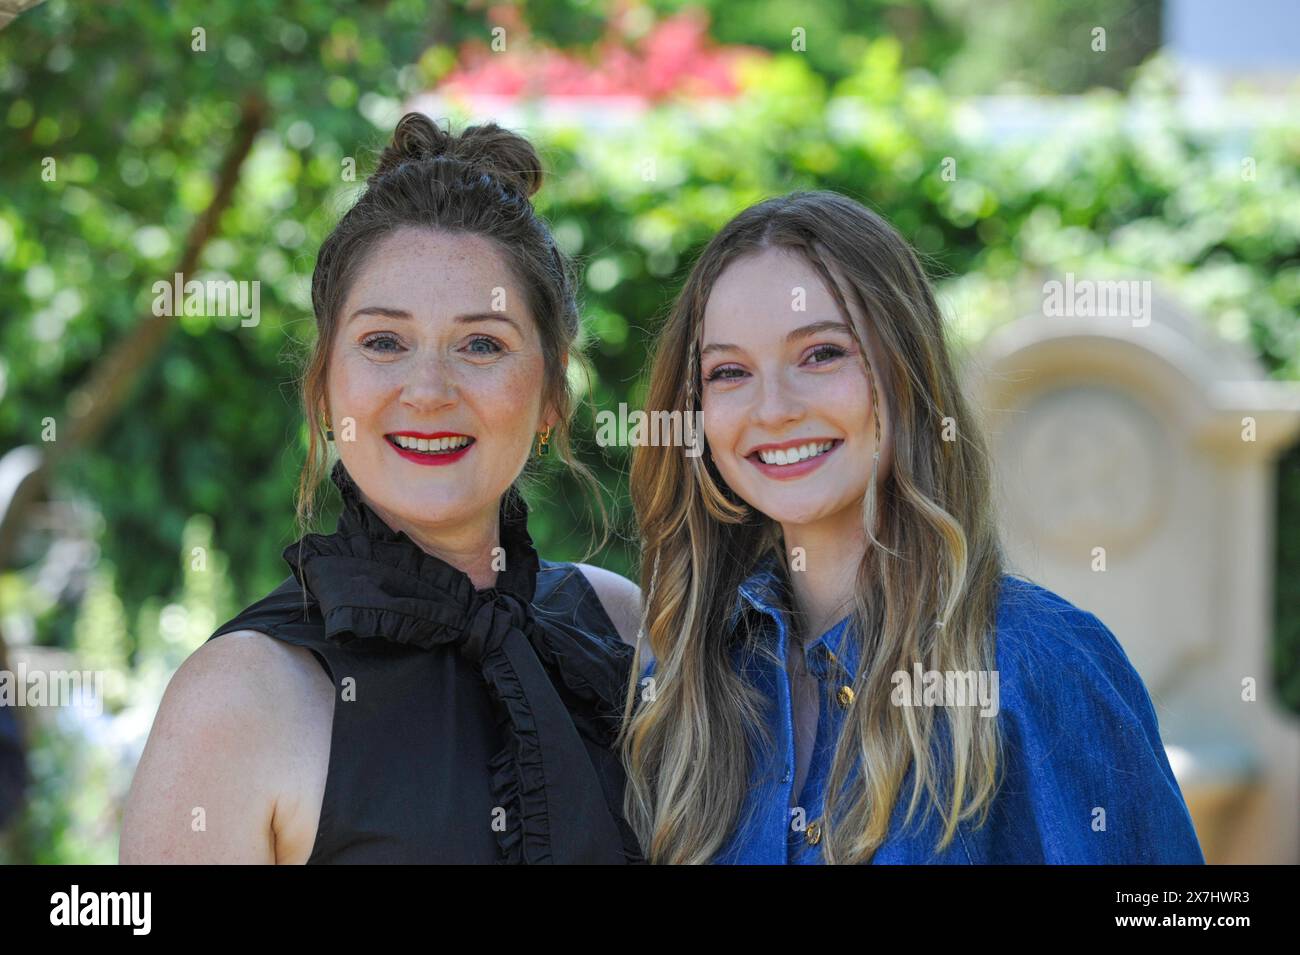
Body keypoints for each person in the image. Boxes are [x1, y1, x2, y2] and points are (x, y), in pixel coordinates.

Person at [620, 190, 1206, 864]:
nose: (772, 408)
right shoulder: (688, 673)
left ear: (907, 369)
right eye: (729, 371)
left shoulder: (1039, 664)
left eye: (821, 354)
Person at [120, 113, 644, 864]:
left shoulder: (619, 625)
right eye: (384, 342)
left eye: (482, 344)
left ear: (552, 394)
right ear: (326, 388)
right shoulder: (238, 699)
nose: (427, 391)